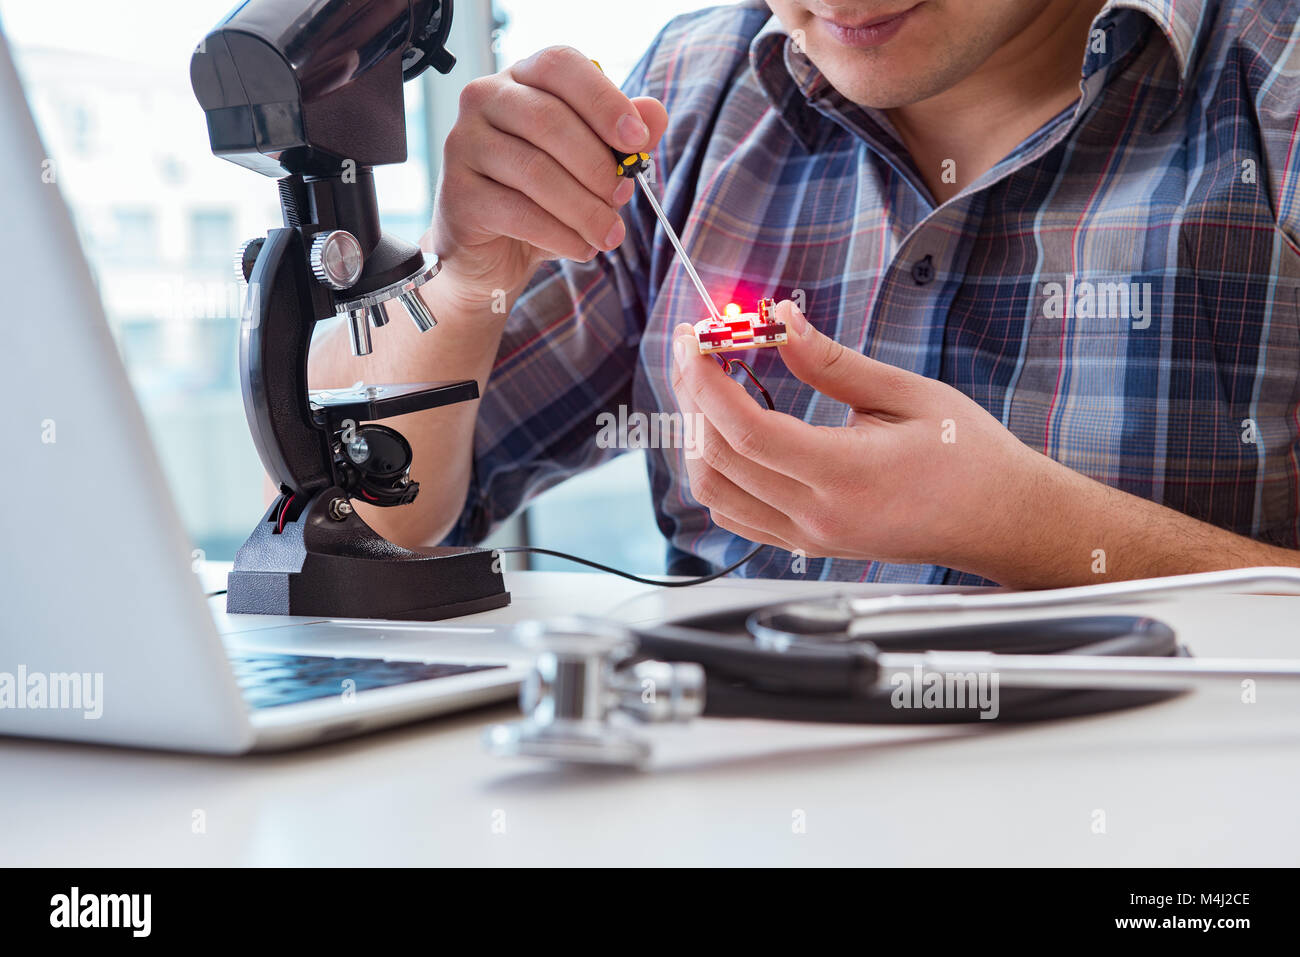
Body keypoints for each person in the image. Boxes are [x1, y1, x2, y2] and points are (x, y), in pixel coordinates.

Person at [311, 0, 1300, 588]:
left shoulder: (1272, 86)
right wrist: (471, 275)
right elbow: (368, 522)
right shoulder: (691, 94)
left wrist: (1020, 525)